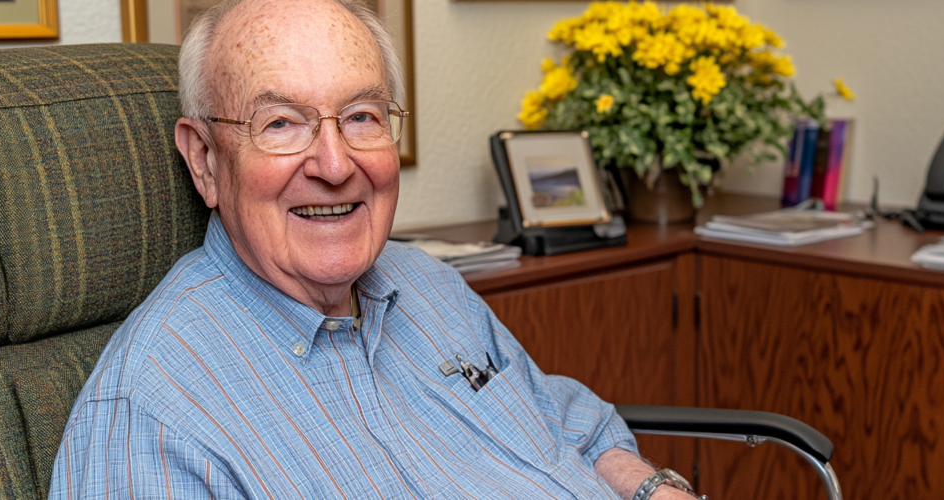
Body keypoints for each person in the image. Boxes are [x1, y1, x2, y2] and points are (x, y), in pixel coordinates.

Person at [48, 0, 700, 498]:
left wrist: (650, 487)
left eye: (362, 116)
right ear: (205, 160)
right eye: (281, 123)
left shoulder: (427, 283)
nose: (335, 165)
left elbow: (564, 422)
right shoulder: (153, 415)